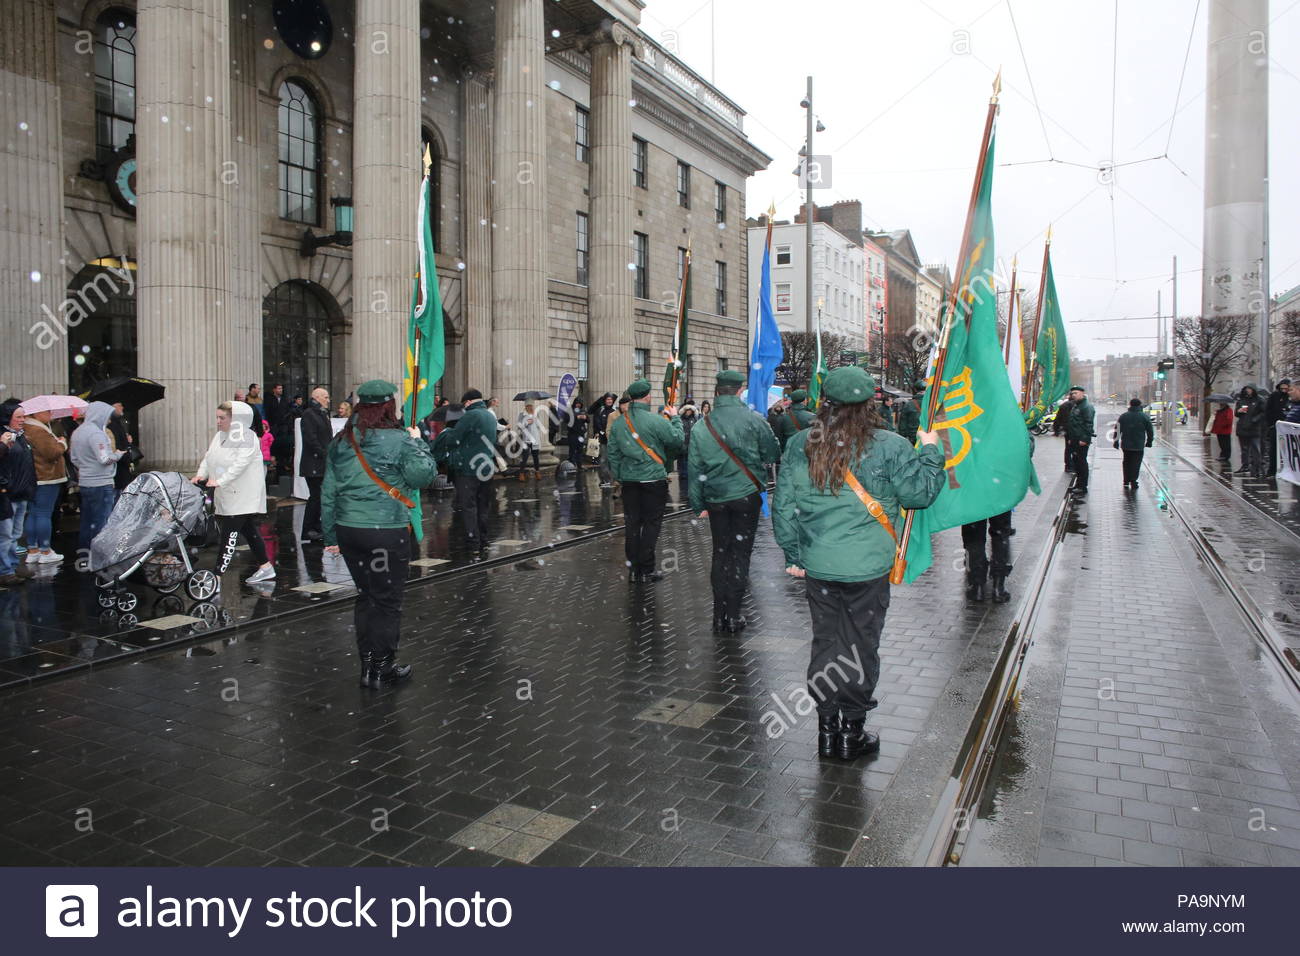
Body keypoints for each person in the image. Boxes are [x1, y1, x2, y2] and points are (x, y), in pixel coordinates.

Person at [774, 366, 945, 760]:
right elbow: (919, 495)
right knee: (859, 644)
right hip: (867, 566)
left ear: (825, 403)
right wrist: (931, 450)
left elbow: (783, 507)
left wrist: (793, 554)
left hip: (818, 564)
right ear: (869, 404)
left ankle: (826, 729)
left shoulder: (802, 443)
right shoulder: (890, 445)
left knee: (826, 642)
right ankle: (852, 732)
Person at [322, 380, 437, 687]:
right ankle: (382, 668)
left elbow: (328, 491)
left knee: (367, 597)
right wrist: (419, 441)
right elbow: (424, 475)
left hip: (349, 531)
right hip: (385, 531)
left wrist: (331, 535)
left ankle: (367, 667)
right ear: (389, 406)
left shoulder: (341, 440)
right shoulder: (400, 439)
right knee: (386, 601)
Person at [689, 369, 780, 632]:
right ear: (740, 390)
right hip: (746, 495)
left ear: (717, 392)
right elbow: (773, 452)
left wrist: (698, 504)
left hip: (716, 497)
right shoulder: (754, 419)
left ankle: (718, 615)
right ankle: (734, 614)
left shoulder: (701, 425)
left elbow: (695, 469)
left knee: (720, 553)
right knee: (740, 555)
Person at [192, 401, 275, 586]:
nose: (218, 421)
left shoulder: (248, 437)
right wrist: (200, 475)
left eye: (222, 418)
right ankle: (266, 566)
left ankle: (217, 577)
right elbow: (209, 457)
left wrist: (220, 481)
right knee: (250, 531)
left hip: (242, 494)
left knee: (229, 535)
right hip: (229, 493)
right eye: (217, 417)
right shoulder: (220, 436)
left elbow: (240, 464)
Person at [608, 379, 683, 582]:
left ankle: (633, 571)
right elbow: (677, 439)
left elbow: (612, 454)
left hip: (630, 482)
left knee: (632, 525)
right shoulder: (655, 421)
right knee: (651, 525)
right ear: (648, 397)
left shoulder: (619, 423)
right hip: (653, 481)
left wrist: (620, 475)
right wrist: (675, 419)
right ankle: (647, 569)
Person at [435, 389, 499, 552]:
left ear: (468, 402)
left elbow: (453, 440)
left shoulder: (470, 415)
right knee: (483, 506)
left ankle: (472, 542)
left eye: (464, 404)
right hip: (486, 468)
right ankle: (483, 539)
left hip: (468, 470)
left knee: (469, 507)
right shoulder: (490, 416)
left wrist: (447, 432)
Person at [69, 401, 125, 553]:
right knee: (102, 521)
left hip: (86, 482)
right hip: (101, 482)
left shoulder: (78, 432)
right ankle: (101, 554)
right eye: (107, 416)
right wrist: (118, 455)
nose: (109, 420)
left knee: (87, 520)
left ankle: (85, 551)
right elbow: (105, 459)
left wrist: (86, 467)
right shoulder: (97, 434)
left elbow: (73, 458)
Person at [20, 403, 68, 565]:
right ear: (35, 413)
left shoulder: (27, 428)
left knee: (34, 513)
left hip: (35, 477)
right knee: (43, 513)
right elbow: (51, 453)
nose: (50, 413)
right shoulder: (38, 430)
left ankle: (33, 549)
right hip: (47, 477)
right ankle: (45, 550)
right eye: (46, 411)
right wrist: (62, 443)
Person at [0, 401, 37, 586]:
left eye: (24, 416)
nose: (22, 420)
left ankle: (13, 566)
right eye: (18, 417)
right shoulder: (4, 436)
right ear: (8, 417)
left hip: (21, 492)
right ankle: (5, 570)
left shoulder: (21, 437)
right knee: (5, 535)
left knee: (15, 534)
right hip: (8, 493)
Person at [299, 386, 332, 542]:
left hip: (321, 463)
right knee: (315, 497)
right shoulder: (309, 414)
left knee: (319, 497)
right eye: (325, 397)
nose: (328, 400)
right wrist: (324, 454)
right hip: (313, 463)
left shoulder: (322, 414)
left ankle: (315, 526)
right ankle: (308, 530)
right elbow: (311, 439)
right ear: (317, 398)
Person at [1115, 398, 1154, 490]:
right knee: (1136, 463)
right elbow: (1150, 431)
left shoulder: (1124, 416)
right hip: (1138, 445)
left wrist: (1116, 441)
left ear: (1130, 405)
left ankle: (1126, 480)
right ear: (1139, 405)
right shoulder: (1144, 416)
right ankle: (1133, 480)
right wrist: (1149, 442)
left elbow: (1117, 429)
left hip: (1126, 444)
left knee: (1126, 462)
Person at [1063, 385, 1095, 494]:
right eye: (1072, 393)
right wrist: (1071, 439)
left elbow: (1088, 424)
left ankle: (1082, 486)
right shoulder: (1077, 406)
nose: (1073, 395)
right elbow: (1073, 424)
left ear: (1082, 393)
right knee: (1077, 462)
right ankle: (1079, 483)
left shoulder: (1086, 407)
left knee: (1081, 463)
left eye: (1076, 393)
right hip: (1075, 440)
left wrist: (1084, 439)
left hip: (1081, 441)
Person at [1234, 384, 1266, 477]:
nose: (1248, 391)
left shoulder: (1259, 400)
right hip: (1242, 427)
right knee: (1244, 449)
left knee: (1255, 449)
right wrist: (1238, 411)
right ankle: (1245, 465)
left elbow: (1263, 413)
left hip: (1254, 428)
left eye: (1250, 389)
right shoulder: (1241, 399)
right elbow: (1236, 413)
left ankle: (1257, 467)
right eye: (1247, 389)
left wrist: (1255, 419)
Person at [106, 402, 135, 491]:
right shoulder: (111, 425)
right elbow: (115, 445)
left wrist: (127, 441)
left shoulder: (119, 422)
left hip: (123, 462)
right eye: (119, 406)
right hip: (118, 463)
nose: (122, 408)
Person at [516, 403, 542, 475]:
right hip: (526, 439)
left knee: (536, 456)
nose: (531, 407)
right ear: (526, 407)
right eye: (529, 406)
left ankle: (537, 472)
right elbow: (519, 426)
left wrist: (535, 417)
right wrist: (527, 422)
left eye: (532, 406)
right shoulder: (522, 415)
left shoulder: (536, 414)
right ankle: (521, 473)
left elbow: (539, 426)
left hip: (535, 439)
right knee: (525, 457)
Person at [896, 381, 925, 446]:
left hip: (913, 437)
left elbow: (903, 424)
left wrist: (902, 437)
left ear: (915, 390)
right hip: (929, 437)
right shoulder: (934, 403)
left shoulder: (909, 404)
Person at [677, 404, 698, 478]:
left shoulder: (694, 419)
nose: (689, 412)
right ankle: (682, 473)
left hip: (691, 443)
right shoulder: (680, 419)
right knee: (682, 460)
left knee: (689, 460)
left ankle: (688, 474)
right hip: (683, 443)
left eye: (690, 410)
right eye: (687, 410)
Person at [566, 399, 588, 468]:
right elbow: (566, 420)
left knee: (580, 449)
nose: (578, 405)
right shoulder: (570, 411)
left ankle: (579, 464)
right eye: (577, 403)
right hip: (572, 434)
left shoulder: (582, 411)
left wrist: (585, 417)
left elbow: (588, 420)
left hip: (581, 434)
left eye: (580, 404)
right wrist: (576, 417)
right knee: (572, 450)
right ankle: (572, 464)